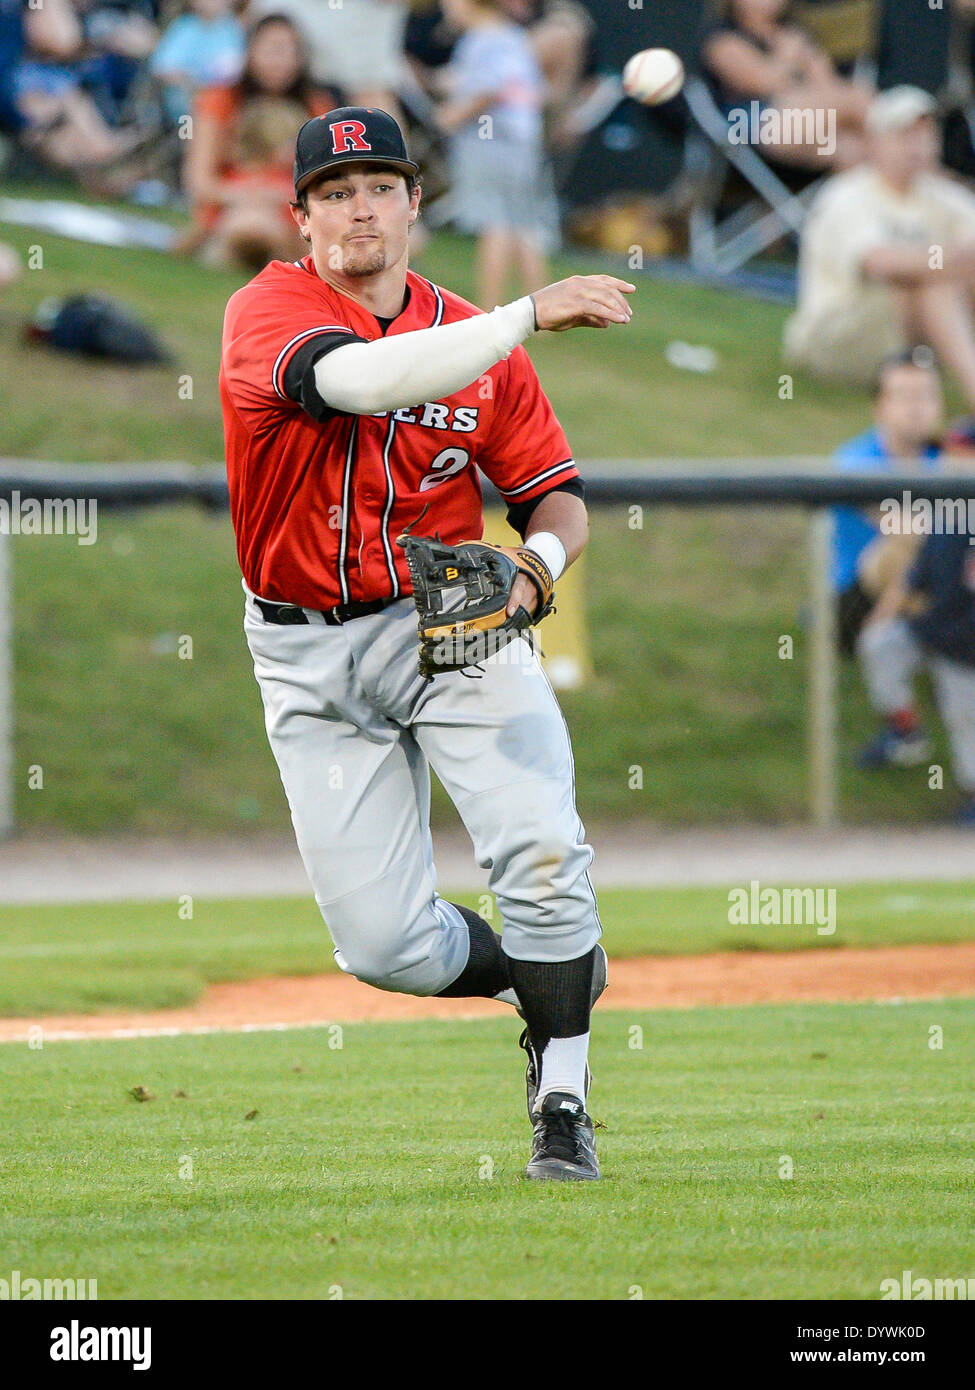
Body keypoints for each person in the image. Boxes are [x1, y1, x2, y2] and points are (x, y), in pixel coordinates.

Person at [220, 106, 634, 1179]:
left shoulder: (475, 342)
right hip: (302, 640)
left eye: (380, 187)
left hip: (449, 611)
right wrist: (527, 312)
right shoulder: (267, 308)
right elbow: (359, 380)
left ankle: (564, 1100)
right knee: (385, 948)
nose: (359, 208)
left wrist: (538, 567)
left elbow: (559, 498)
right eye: (334, 193)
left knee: (541, 853)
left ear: (414, 203)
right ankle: (545, 975)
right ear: (301, 217)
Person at [785, 86, 975, 413]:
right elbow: (880, 263)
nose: (917, 147)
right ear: (875, 142)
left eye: (924, 135)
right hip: (836, 336)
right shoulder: (846, 195)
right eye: (905, 136)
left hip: (908, 340)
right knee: (928, 284)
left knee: (934, 280)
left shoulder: (946, 197)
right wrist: (951, 260)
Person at [831, 349, 944, 766]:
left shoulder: (950, 460)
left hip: (929, 596)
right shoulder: (854, 461)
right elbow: (905, 529)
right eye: (905, 396)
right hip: (857, 605)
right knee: (912, 538)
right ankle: (904, 729)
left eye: (927, 396)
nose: (917, 408)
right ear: (881, 405)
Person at [862, 420, 975, 825]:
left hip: (967, 650)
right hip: (930, 627)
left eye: (961, 454)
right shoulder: (943, 513)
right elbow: (915, 575)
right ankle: (906, 732)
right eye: (949, 453)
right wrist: (882, 615)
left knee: (967, 725)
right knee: (880, 644)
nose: (950, 462)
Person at [181, 13, 336, 268]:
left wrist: (284, 196)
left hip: (296, 207)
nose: (281, 60)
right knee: (253, 226)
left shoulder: (317, 106)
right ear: (250, 51)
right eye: (273, 50)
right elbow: (199, 182)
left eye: (291, 51)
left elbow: (326, 183)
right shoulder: (219, 99)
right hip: (237, 204)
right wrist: (253, 194)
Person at [435, 0, 557, 309]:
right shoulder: (515, 37)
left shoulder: (480, 39)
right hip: (521, 143)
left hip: (489, 144)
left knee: (495, 223)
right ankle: (544, 307)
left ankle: (490, 309)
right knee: (523, 223)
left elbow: (488, 90)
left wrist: (451, 116)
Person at [702, 0, 872, 169]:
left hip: (813, 122)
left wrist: (811, 63)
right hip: (760, 124)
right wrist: (788, 56)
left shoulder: (793, 32)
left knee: (852, 149)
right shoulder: (723, 39)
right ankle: (889, 123)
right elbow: (766, 84)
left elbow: (829, 84)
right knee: (856, 98)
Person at [150, 0, 246, 127]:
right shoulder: (183, 27)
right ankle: (188, 140)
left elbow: (237, 66)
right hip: (186, 98)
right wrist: (189, 82)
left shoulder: (233, 28)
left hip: (224, 97)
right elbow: (161, 66)